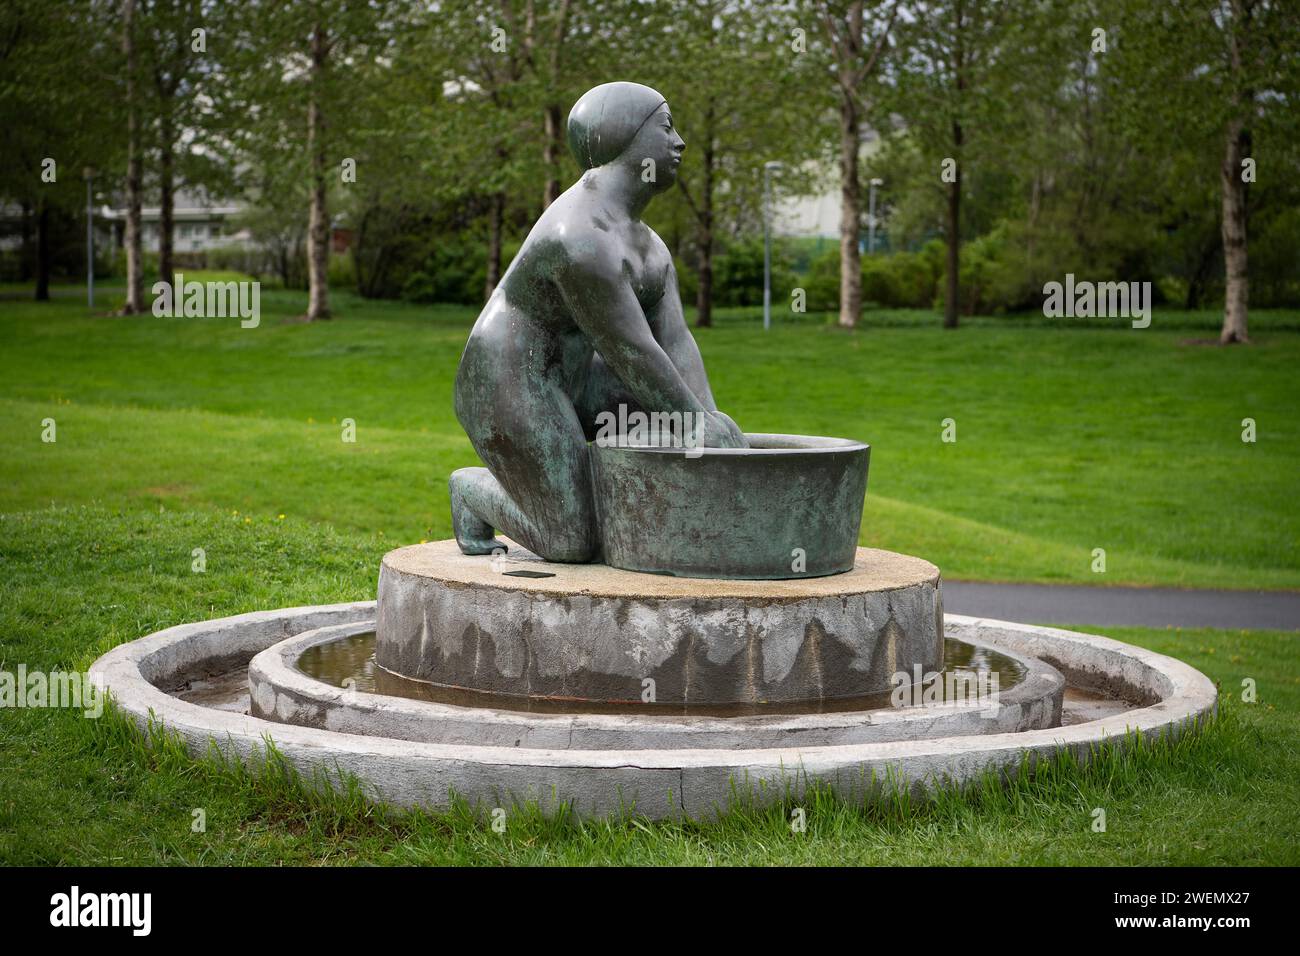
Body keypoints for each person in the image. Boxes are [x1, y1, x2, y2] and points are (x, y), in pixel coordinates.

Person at [450, 81, 747, 561]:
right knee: (567, 541)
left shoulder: (649, 245)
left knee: (674, 412)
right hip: (511, 381)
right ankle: (472, 491)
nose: (680, 142)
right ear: (624, 138)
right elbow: (630, 351)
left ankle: (627, 512)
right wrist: (695, 424)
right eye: (666, 127)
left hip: (577, 373)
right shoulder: (580, 236)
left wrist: (711, 424)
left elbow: (674, 341)